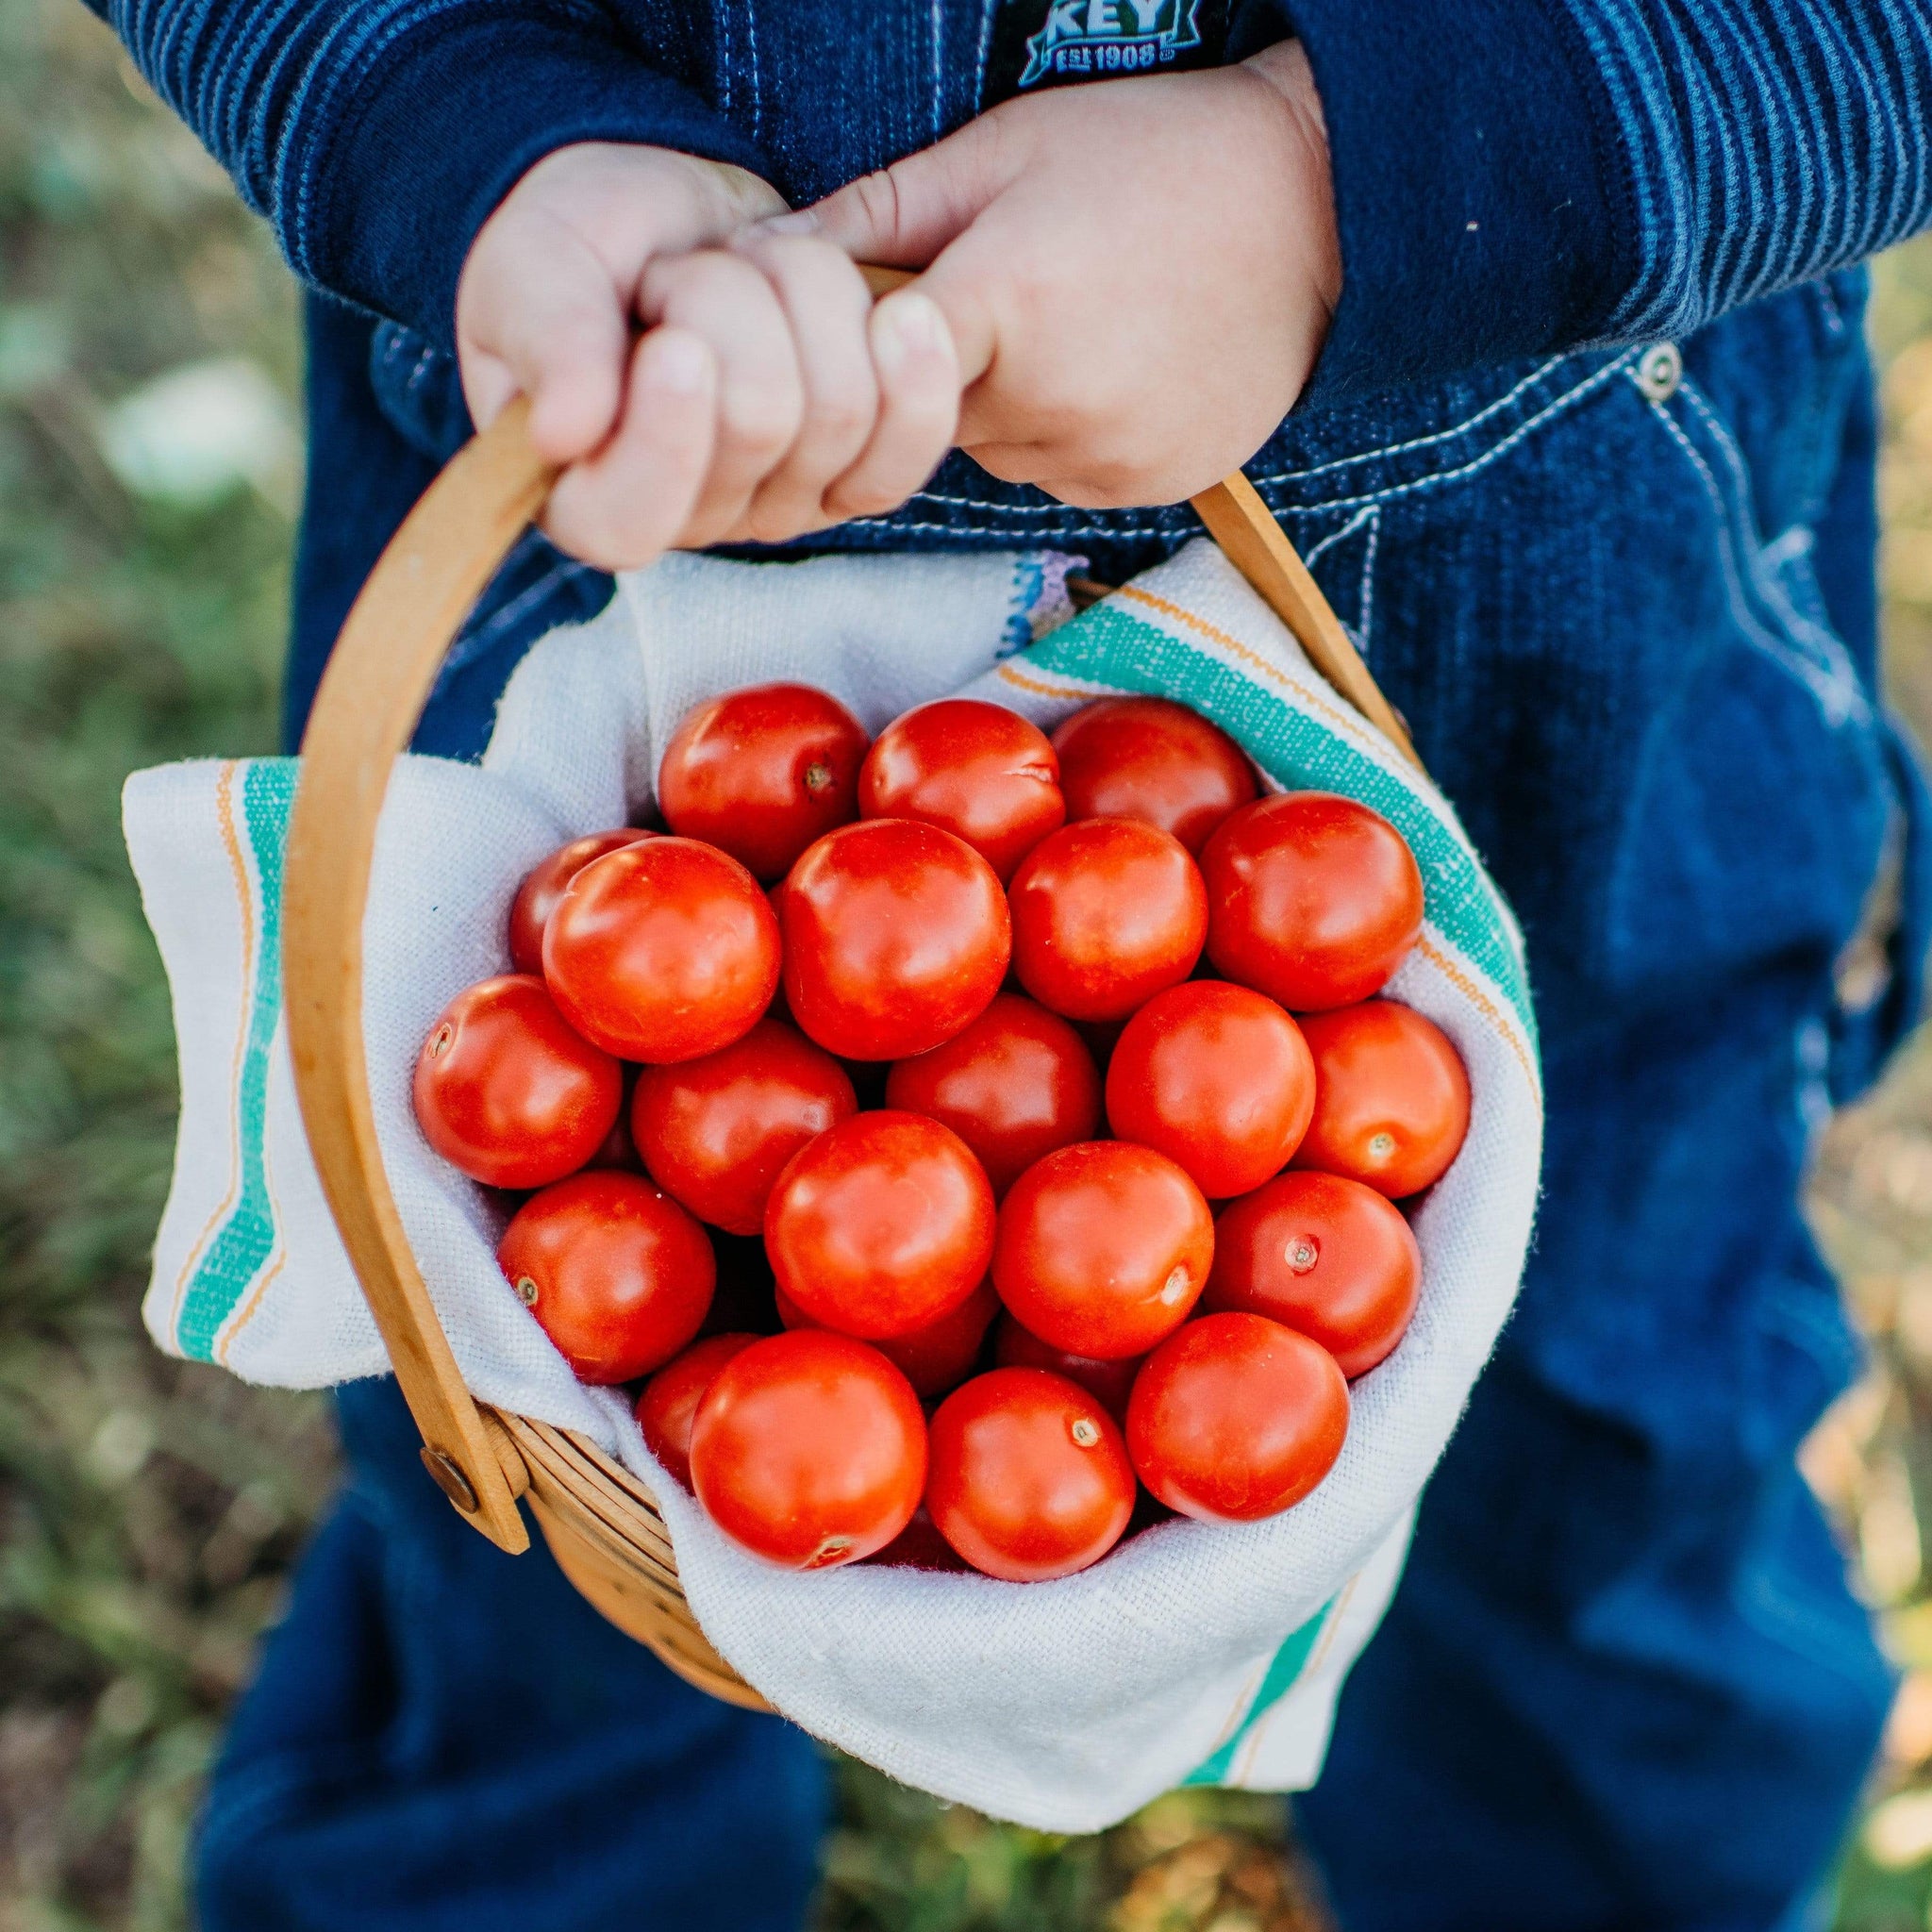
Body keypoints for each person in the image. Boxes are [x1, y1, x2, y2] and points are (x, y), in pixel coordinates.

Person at [88, 0, 1932, 1924]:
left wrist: (1355, 180)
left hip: (1578, 587)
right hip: (632, 437)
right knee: (541, 1486)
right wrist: (456, 123)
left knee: (1619, 1401)